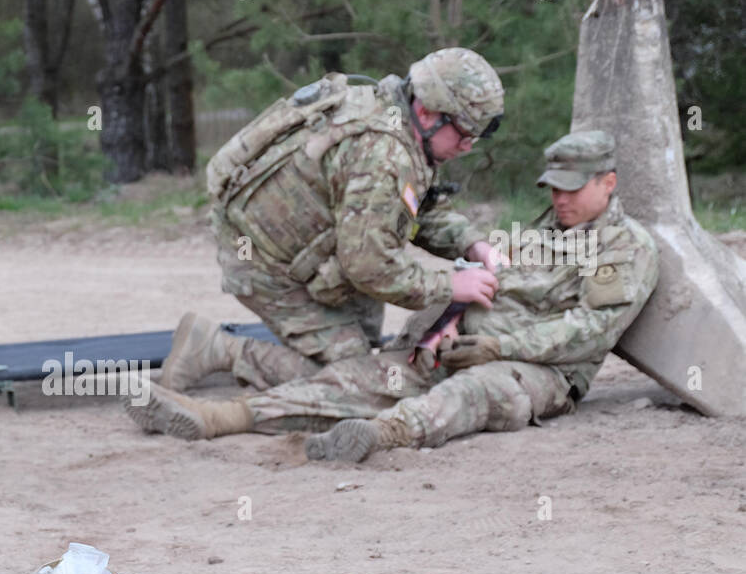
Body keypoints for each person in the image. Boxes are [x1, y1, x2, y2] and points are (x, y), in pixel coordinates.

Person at [127, 131, 659, 462]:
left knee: (474, 392)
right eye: (555, 187)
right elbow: (484, 284)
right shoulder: (534, 234)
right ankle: (222, 418)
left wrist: (499, 348)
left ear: (608, 182)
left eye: (573, 186)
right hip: (454, 349)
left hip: (536, 373)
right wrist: (446, 321)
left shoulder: (624, 246)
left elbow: (591, 329)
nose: (560, 197)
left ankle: (381, 435)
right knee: (358, 378)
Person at [158, 47, 507, 395]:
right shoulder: (384, 155)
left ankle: (307, 348)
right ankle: (217, 349)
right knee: (357, 379)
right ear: (429, 113)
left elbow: (419, 207)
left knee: (362, 344)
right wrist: (450, 286)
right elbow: (371, 268)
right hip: (263, 262)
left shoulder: (394, 115)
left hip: (314, 244)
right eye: (464, 134)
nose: (467, 147)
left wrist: (471, 243)